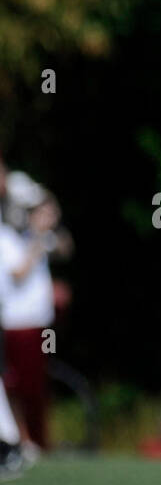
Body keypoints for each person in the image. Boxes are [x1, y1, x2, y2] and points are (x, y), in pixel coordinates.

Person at [0, 189, 68, 456]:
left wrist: (51, 222)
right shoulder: (9, 239)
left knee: (38, 384)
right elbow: (18, 273)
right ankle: (23, 439)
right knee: (19, 385)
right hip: (18, 324)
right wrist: (38, 238)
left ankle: (38, 440)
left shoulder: (41, 238)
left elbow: (66, 248)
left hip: (41, 324)